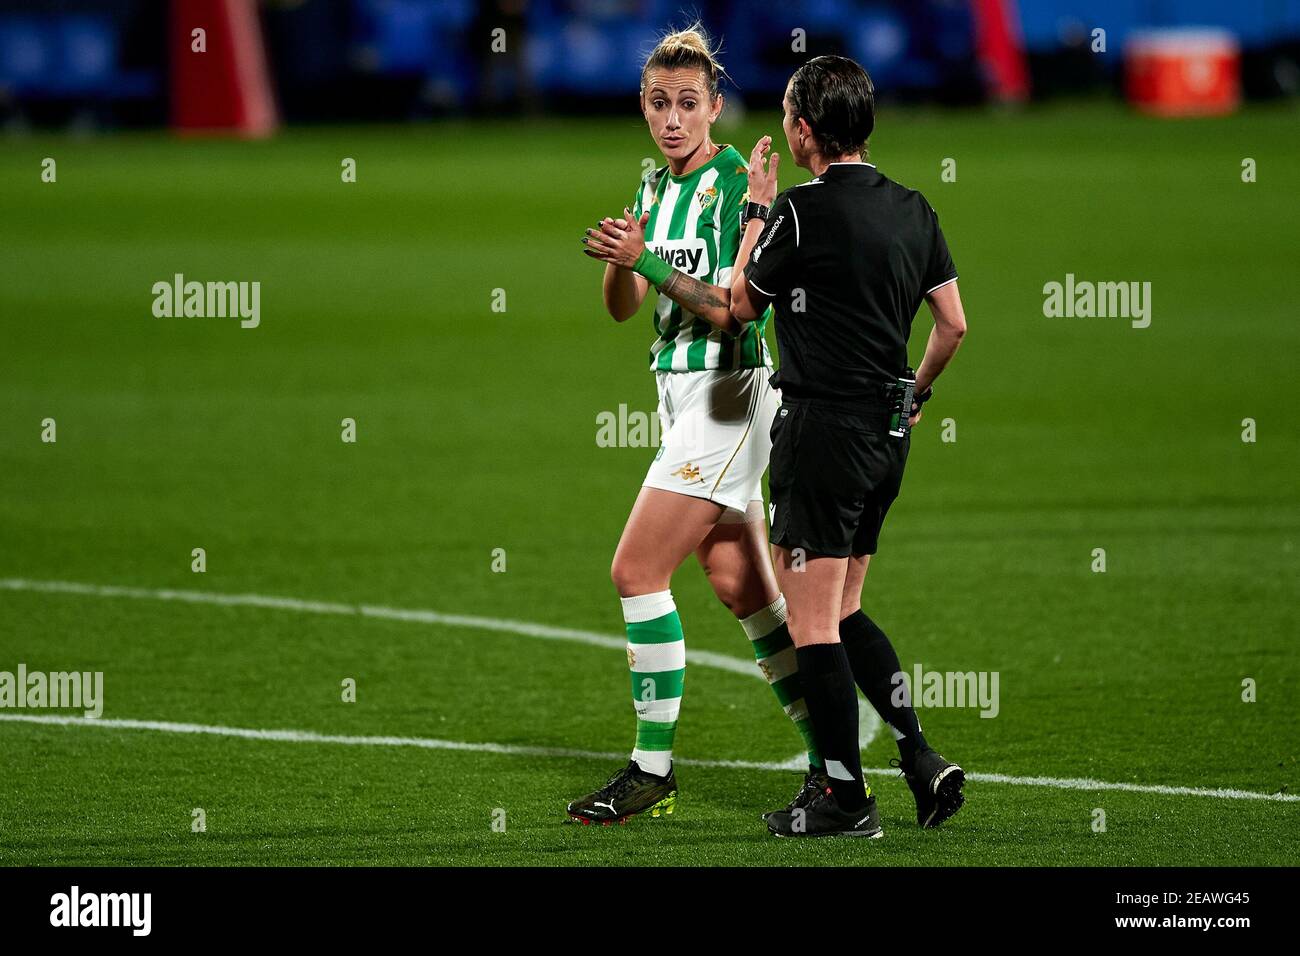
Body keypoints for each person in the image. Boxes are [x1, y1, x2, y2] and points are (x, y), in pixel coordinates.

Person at [566, 24, 822, 825]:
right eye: (657, 103)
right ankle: (834, 760)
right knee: (743, 586)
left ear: (715, 106)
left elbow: (728, 310)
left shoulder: (735, 186)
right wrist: (621, 258)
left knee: (635, 571)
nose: (671, 119)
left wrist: (646, 260)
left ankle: (652, 767)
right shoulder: (652, 185)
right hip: (681, 398)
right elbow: (623, 311)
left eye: (686, 104)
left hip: (727, 395)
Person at [729, 55, 970, 837]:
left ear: (804, 128)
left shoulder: (800, 211)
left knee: (812, 624)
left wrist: (755, 213)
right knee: (848, 605)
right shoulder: (914, 208)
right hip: (886, 435)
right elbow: (952, 326)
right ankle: (919, 756)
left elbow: (739, 306)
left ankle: (843, 798)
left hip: (821, 436)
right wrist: (916, 391)